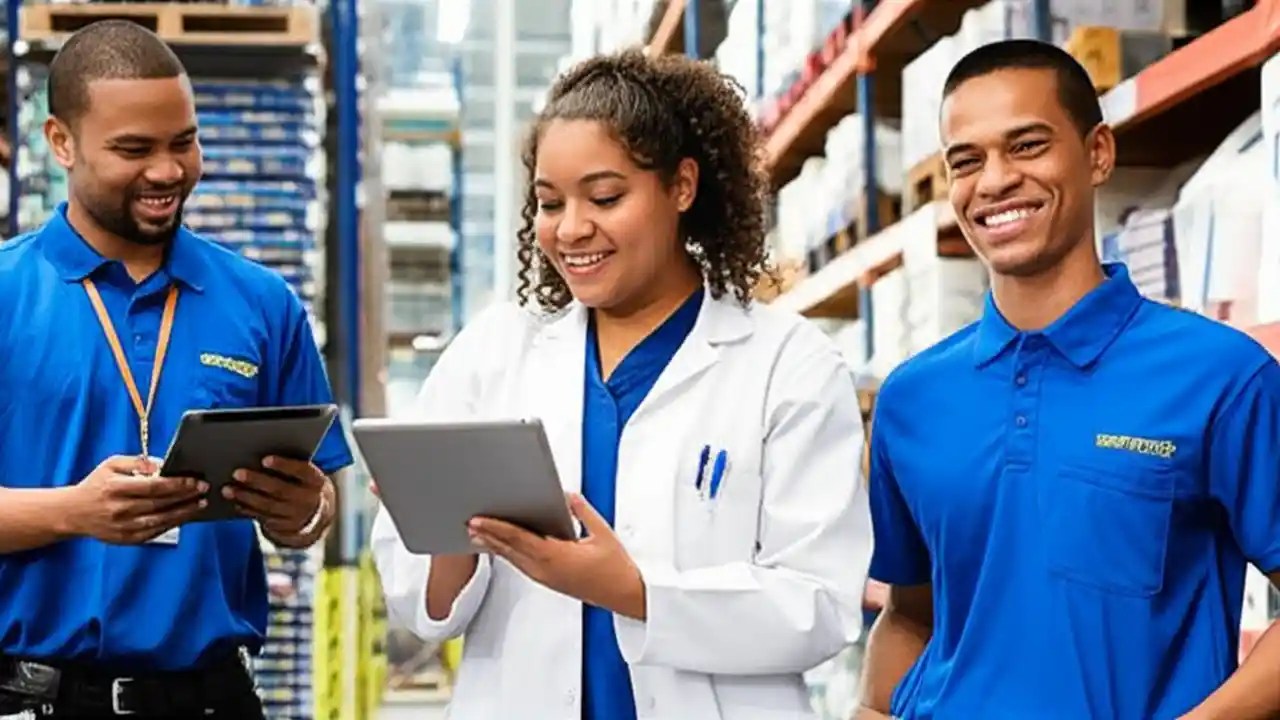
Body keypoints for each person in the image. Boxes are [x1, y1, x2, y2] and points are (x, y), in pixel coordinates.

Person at [371, 49, 871, 719]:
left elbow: (820, 605)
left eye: (605, 197)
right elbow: (422, 605)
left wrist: (634, 592)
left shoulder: (787, 365)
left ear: (682, 186)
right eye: (550, 203)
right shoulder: (494, 354)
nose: (572, 228)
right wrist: (445, 533)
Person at [856, 39, 1280, 720]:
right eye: (966, 160)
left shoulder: (1221, 377)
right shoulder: (911, 400)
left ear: (1098, 153)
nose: (994, 181)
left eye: (1027, 146)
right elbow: (910, 613)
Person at [0, 20, 353, 719]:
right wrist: (74, 512)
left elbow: (318, 507)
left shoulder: (262, 303)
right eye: (134, 149)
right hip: (37, 697)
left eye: (183, 142)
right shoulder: (8, 294)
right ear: (61, 143)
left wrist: (306, 512)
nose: (167, 171)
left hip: (214, 698)